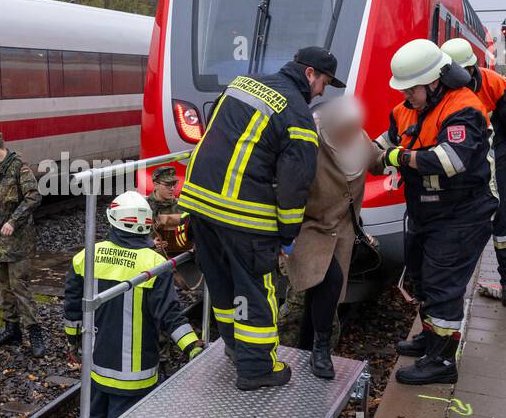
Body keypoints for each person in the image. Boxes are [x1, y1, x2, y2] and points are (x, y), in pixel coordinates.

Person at [178, 45, 338, 391]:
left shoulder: (242, 83)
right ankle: (257, 368)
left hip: (199, 202)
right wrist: (287, 234)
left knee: (221, 283)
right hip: (243, 216)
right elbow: (295, 185)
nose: (323, 90)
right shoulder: (297, 115)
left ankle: (235, 347)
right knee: (254, 289)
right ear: (309, 73)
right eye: (324, 81)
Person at [63, 191, 202, 418]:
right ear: (146, 227)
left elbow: (72, 309)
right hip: (135, 373)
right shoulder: (154, 264)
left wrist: (73, 342)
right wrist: (192, 347)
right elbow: (170, 316)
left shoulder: (87, 257)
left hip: (97, 365)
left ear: (113, 220)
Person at [373, 38, 495, 386]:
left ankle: (442, 360)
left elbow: (451, 161)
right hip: (426, 211)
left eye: (411, 89)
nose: (406, 95)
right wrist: (361, 149)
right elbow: (386, 141)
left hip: (462, 214)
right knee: (424, 279)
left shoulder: (464, 108)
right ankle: (431, 338)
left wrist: (396, 157)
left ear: (434, 81)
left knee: (443, 284)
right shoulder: (406, 109)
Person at [283, 96, 381, 379]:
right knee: (331, 279)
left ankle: (305, 349)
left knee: (319, 290)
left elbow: (378, 160)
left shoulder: (360, 140)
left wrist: (407, 157)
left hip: (343, 231)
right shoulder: (311, 142)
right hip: (309, 227)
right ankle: (321, 350)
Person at [442, 37, 506, 308]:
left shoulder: (495, 83)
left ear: (472, 67)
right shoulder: (441, 87)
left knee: (504, 221)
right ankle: (452, 285)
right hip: (460, 162)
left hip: (496, 160)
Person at [0, 131, 45, 357]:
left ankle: (34, 333)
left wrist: (14, 221)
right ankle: (11, 329)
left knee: (20, 287)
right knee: (5, 288)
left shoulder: (19, 167)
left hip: (18, 241)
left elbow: (34, 196)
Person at [146, 165, 185, 252]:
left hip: (179, 254)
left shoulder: (181, 207)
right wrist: (149, 243)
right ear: (156, 185)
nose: (172, 189)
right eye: (168, 185)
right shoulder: (144, 206)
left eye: (174, 184)